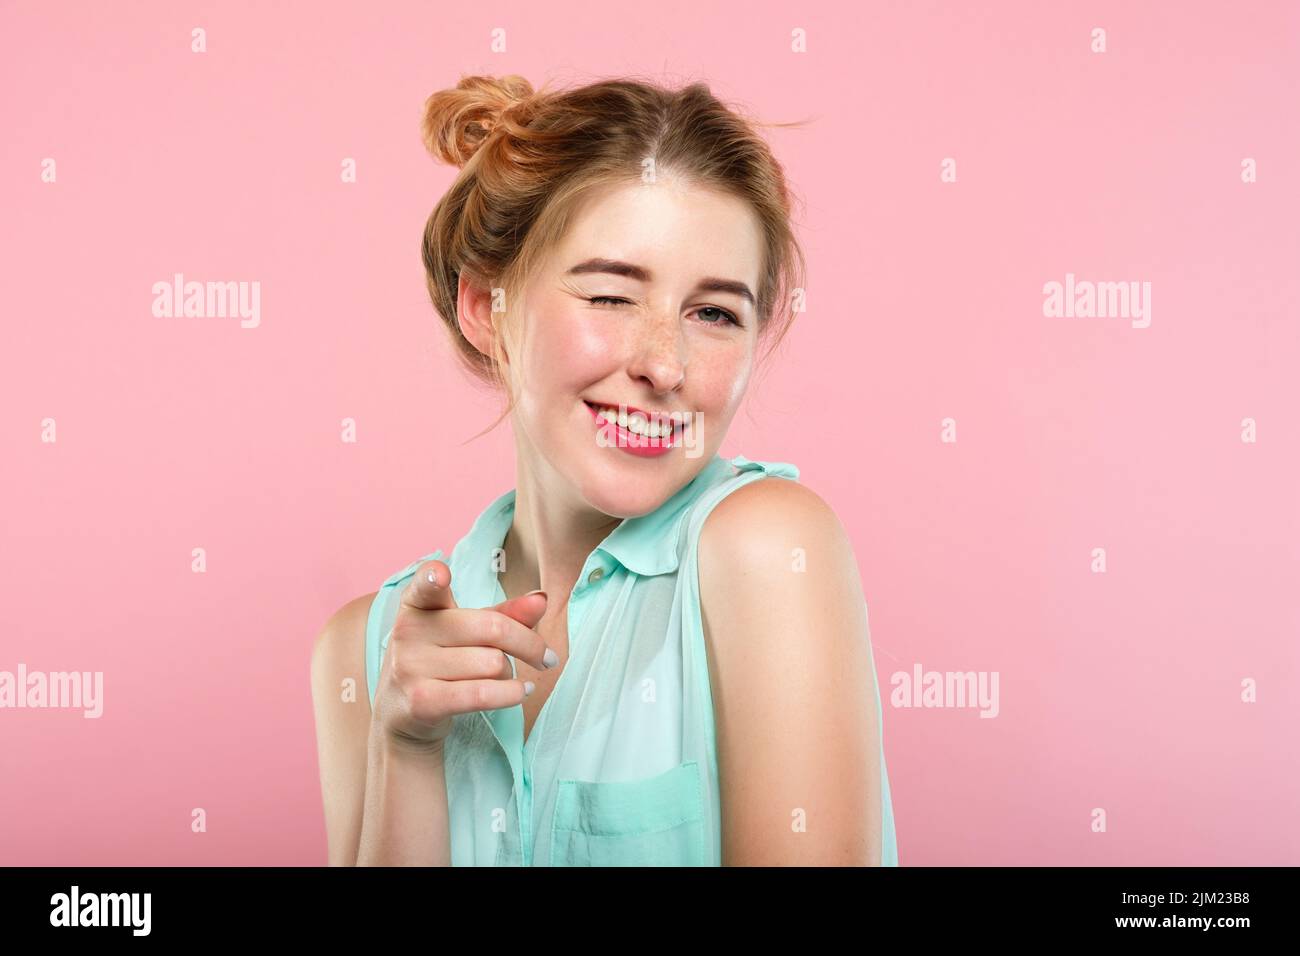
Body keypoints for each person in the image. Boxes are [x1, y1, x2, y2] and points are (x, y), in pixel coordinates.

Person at [311, 73, 899, 866]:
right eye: (612, 297)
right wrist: (408, 753)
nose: (665, 365)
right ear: (490, 307)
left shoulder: (766, 549)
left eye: (715, 313)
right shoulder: (365, 650)